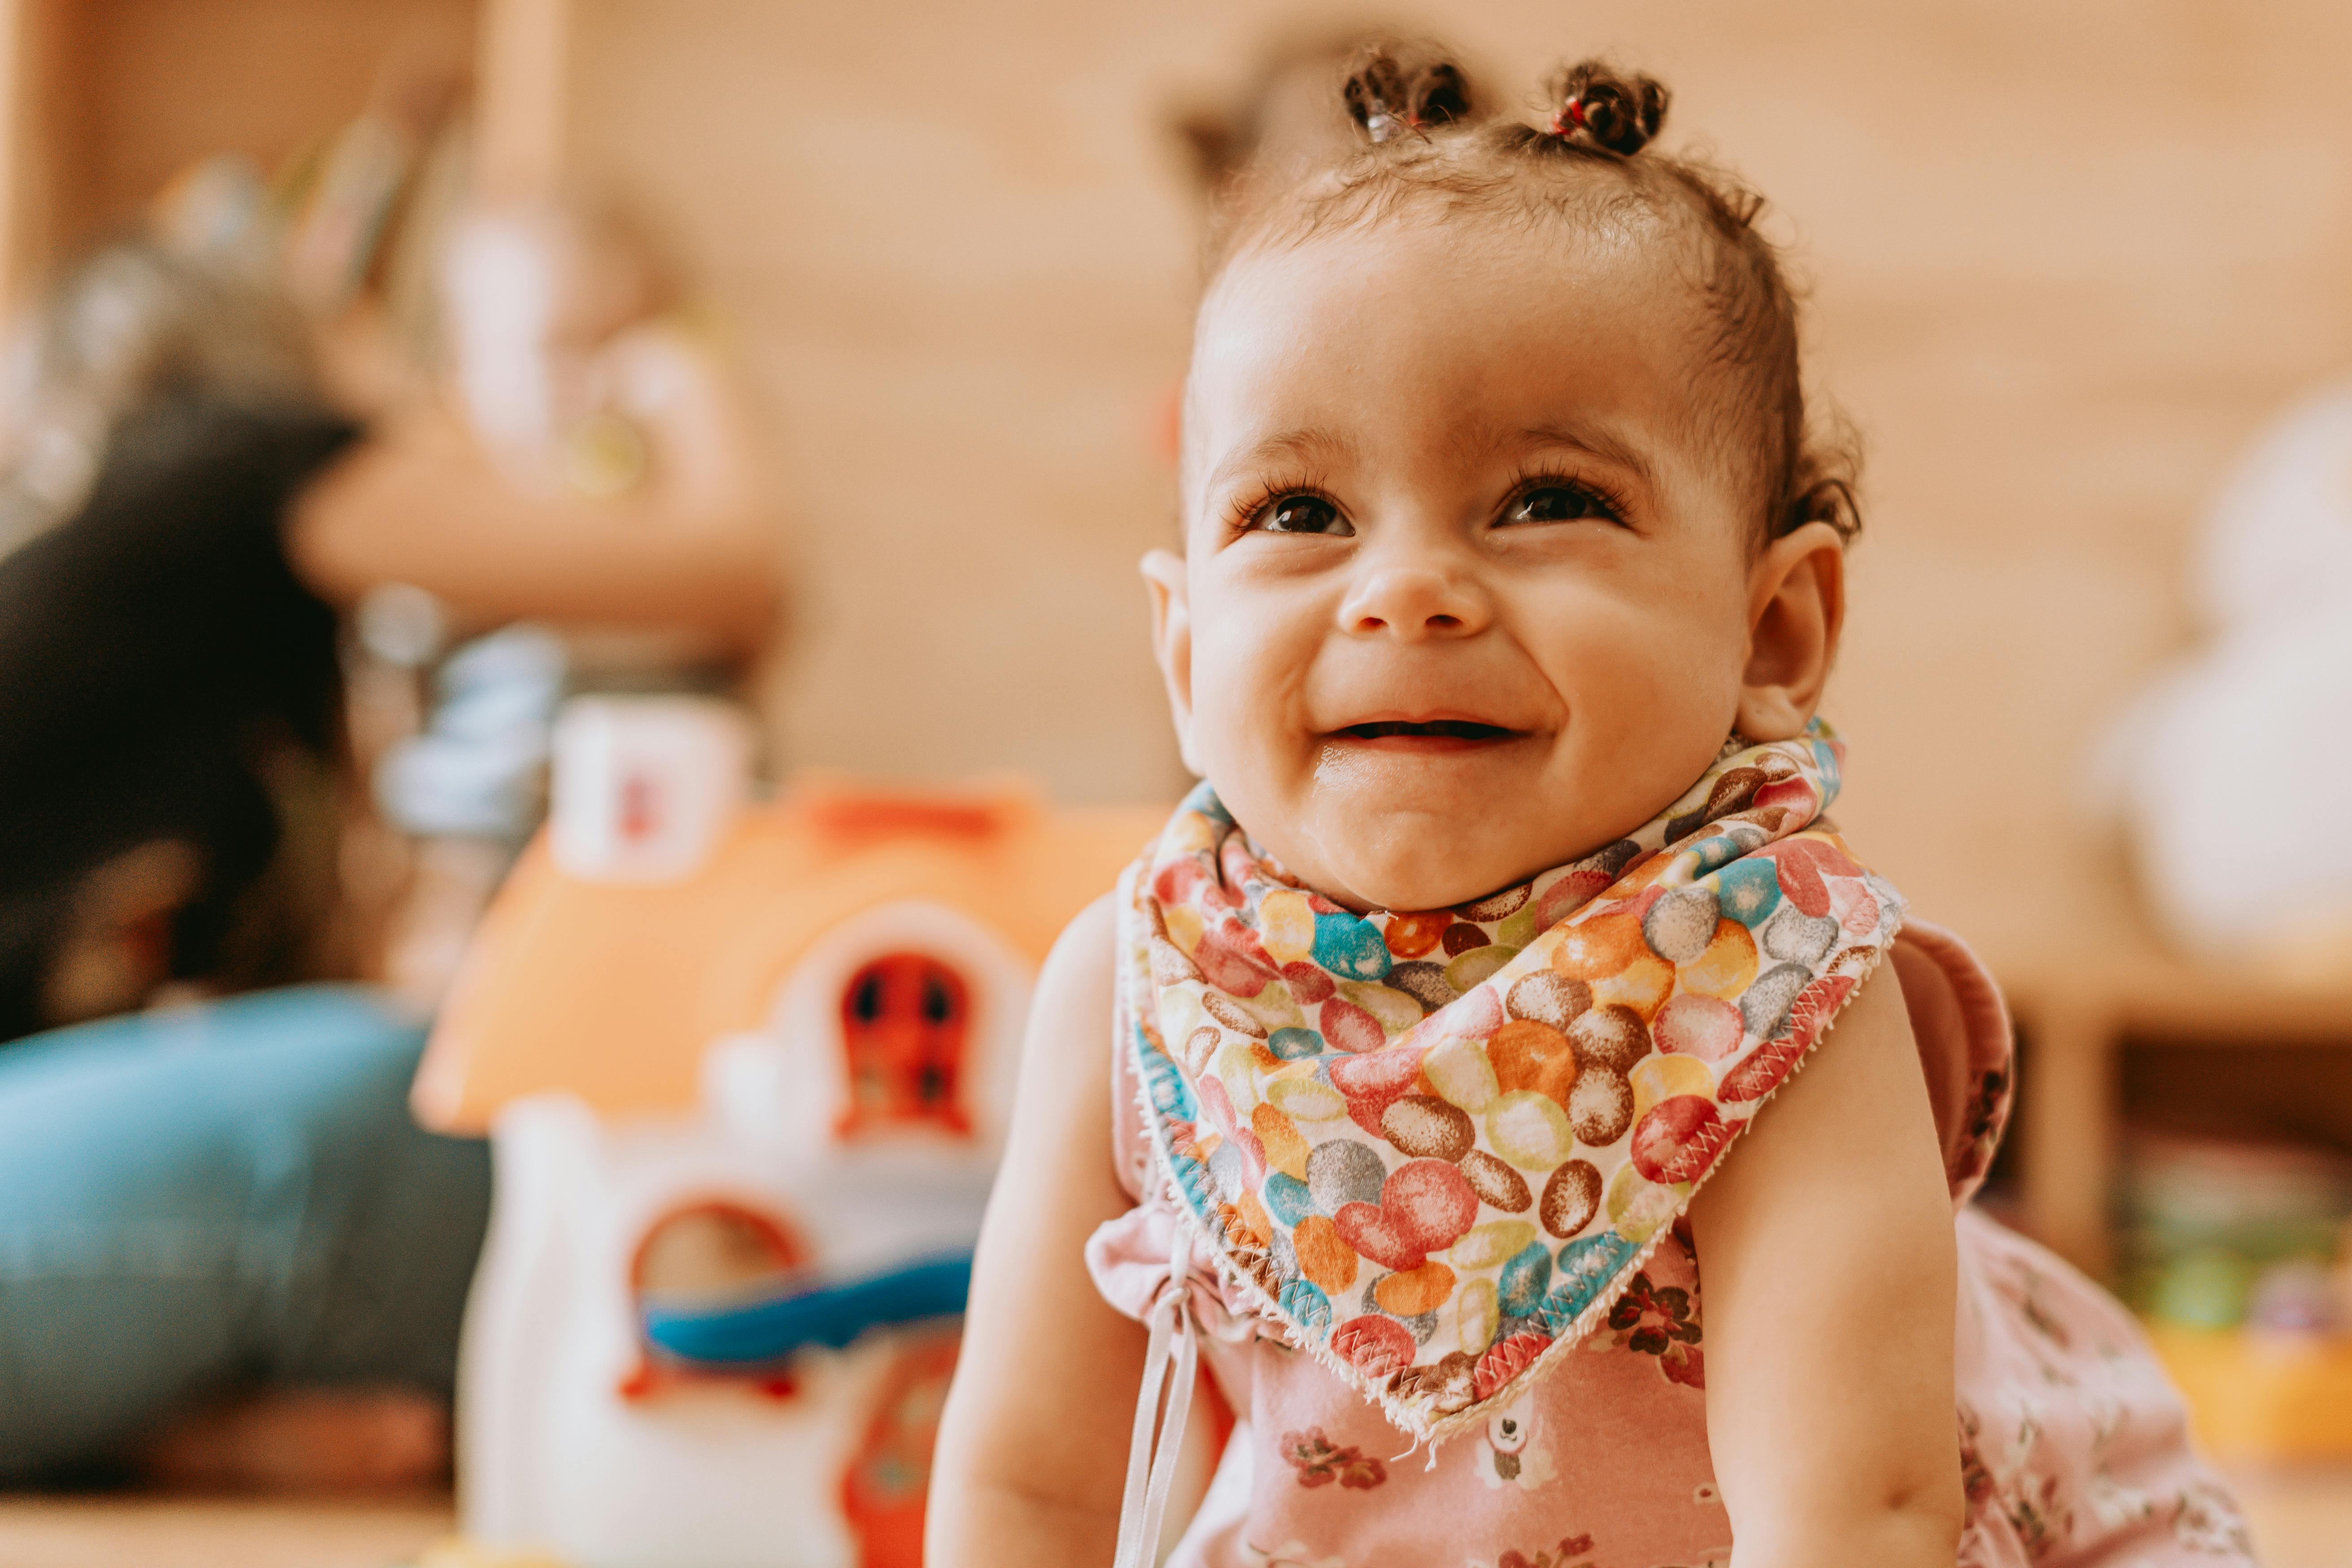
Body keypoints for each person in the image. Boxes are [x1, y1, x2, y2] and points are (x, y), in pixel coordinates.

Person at [928, 45, 2252, 1568]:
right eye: (1298, 513)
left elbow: (1856, 1514)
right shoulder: (1135, 984)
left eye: (1545, 501)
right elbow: (1028, 1490)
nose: (1407, 589)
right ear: (1180, 649)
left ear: (1772, 635)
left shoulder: (1772, 984)